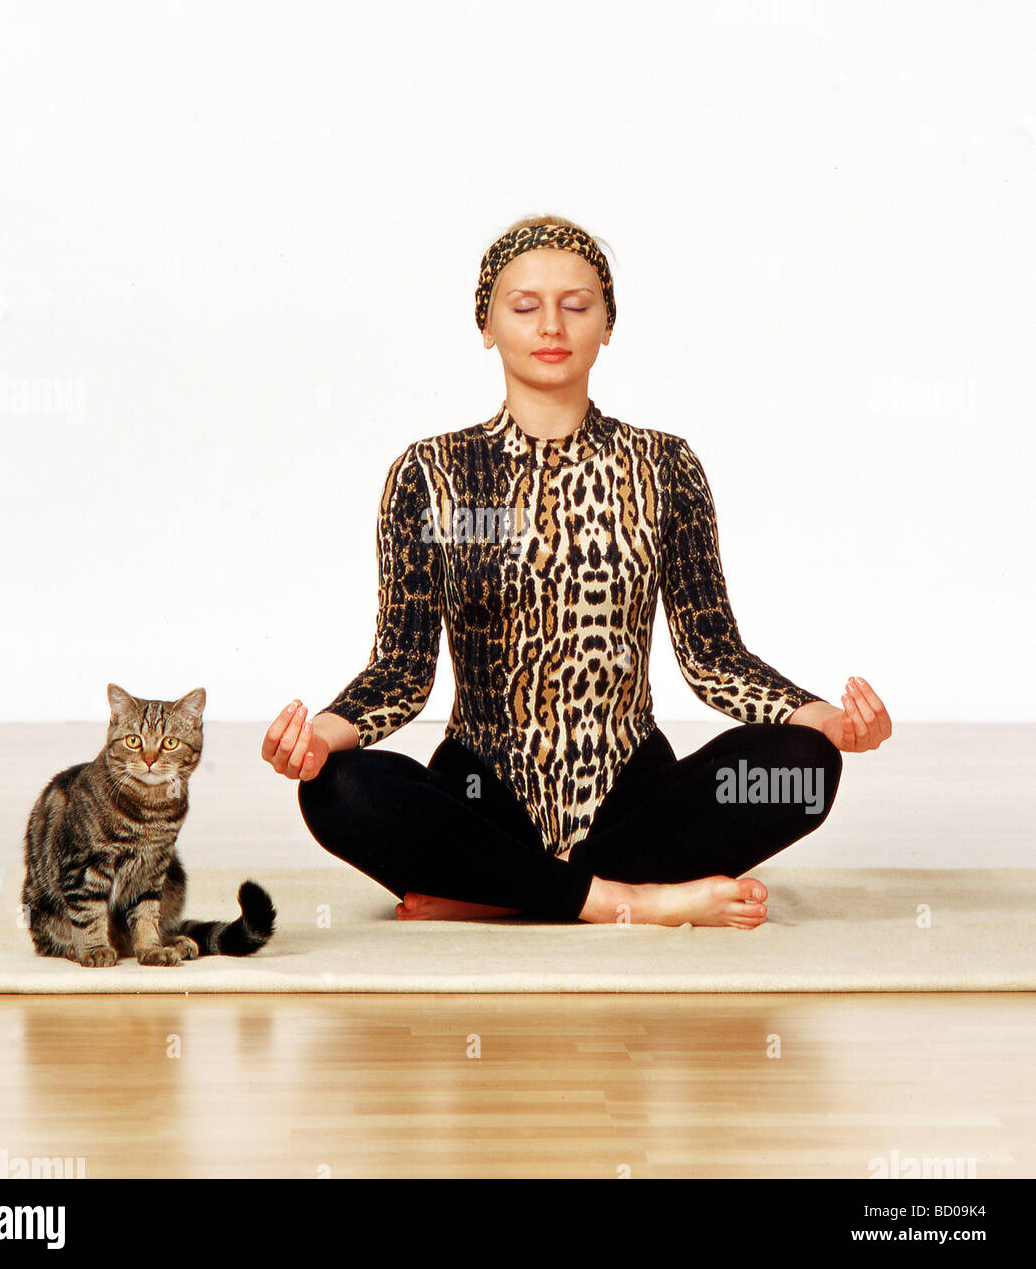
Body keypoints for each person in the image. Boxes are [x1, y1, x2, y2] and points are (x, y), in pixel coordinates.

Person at [261, 215, 892, 927]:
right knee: (337, 789)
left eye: (578, 304)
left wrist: (827, 721)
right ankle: (624, 900)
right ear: (487, 324)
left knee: (800, 770)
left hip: (631, 797)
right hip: (483, 796)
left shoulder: (665, 466)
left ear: (608, 323)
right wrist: (318, 735)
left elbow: (713, 654)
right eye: (525, 306)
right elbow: (402, 671)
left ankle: (500, 895)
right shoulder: (429, 473)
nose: (551, 325)